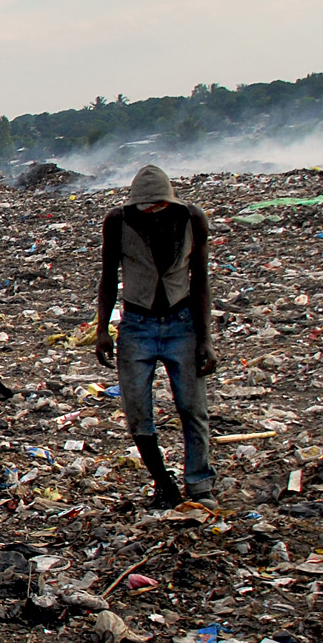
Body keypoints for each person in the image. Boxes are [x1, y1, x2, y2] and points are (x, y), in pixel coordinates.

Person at [95, 165, 217, 508]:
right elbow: (107, 278)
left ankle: (199, 483)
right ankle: (163, 482)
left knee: (193, 407)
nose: (152, 213)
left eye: (157, 206)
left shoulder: (192, 220)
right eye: (145, 207)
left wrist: (205, 338)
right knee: (137, 411)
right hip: (136, 323)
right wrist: (103, 329)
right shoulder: (118, 222)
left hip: (182, 321)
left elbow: (201, 281)